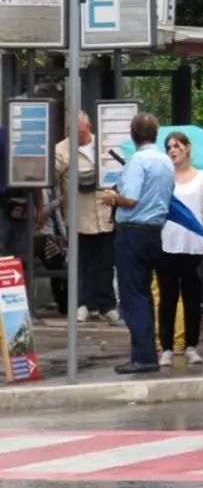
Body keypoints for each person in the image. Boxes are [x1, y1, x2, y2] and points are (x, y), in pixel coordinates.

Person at [99, 112, 175, 374]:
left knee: (134, 296)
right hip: (155, 232)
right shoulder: (166, 161)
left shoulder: (137, 161)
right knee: (145, 293)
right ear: (156, 134)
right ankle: (148, 353)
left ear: (133, 136)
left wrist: (112, 197)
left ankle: (142, 356)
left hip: (132, 232)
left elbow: (130, 198)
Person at [52, 110, 120, 326]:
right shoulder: (61, 150)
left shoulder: (104, 144)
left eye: (81, 132)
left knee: (105, 263)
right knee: (82, 263)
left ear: (89, 127)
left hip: (104, 213)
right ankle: (82, 304)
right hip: (79, 215)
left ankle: (106, 305)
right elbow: (52, 176)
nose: (77, 136)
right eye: (73, 132)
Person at [158, 131, 203, 367]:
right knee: (168, 297)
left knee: (192, 298)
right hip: (167, 245)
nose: (172, 150)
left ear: (187, 148)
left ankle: (191, 345)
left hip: (195, 245)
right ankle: (167, 347)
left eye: (177, 146)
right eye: (169, 147)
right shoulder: (163, 178)